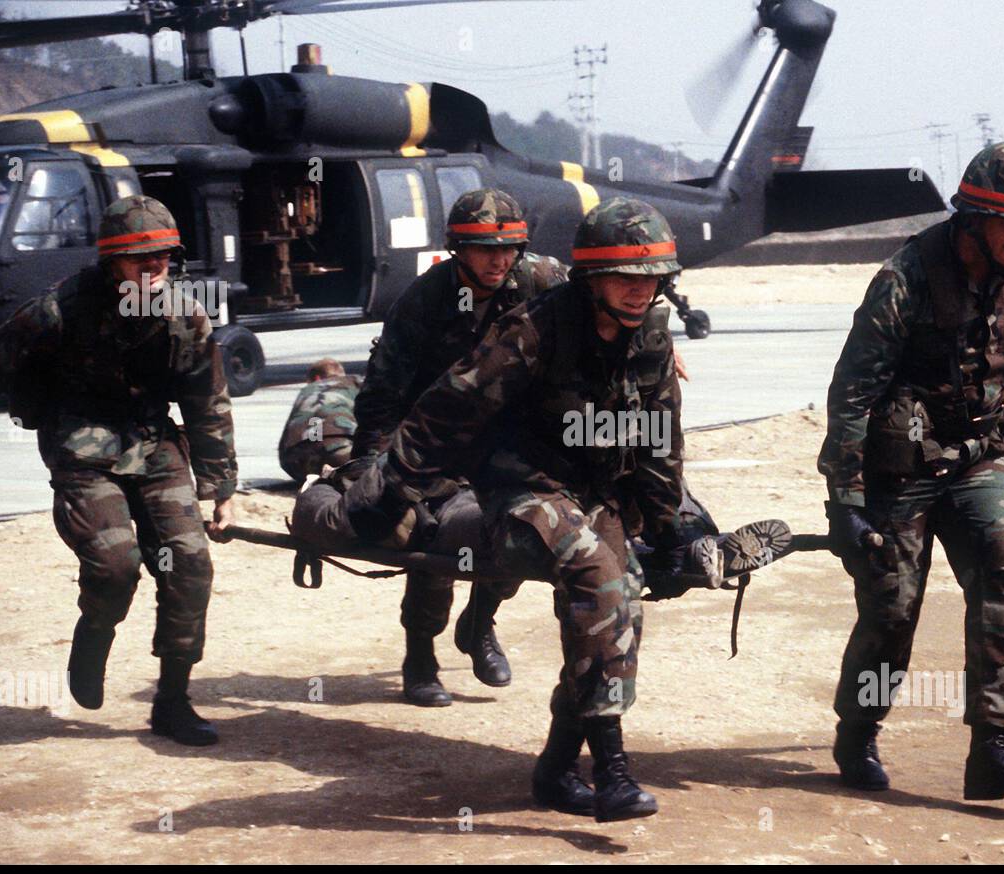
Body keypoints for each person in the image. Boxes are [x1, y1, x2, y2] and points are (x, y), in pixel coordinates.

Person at [330, 196, 788, 821]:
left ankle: (554, 769)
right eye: (626, 278)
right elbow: (444, 408)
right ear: (593, 278)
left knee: (621, 595)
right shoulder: (533, 330)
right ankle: (613, 771)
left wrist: (664, 526)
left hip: (598, 488)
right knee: (597, 573)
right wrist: (384, 486)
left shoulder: (650, 332)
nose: (639, 291)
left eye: (652, 279)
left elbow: (659, 444)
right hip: (520, 489)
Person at [818, 143, 1004, 800]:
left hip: (981, 456)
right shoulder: (906, 277)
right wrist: (845, 499)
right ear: (973, 216)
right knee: (892, 607)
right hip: (904, 466)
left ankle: (993, 747)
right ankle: (858, 730)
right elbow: (853, 391)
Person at [0, 195, 238, 745]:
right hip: (82, 445)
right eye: (141, 259)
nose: (155, 267)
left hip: (154, 443)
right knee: (116, 565)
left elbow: (207, 402)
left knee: (189, 565)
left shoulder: (185, 315)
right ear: (112, 263)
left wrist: (221, 488)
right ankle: (95, 632)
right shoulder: (58, 309)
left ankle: (173, 700)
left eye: (164, 256)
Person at [351, 187, 571, 706]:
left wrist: (654, 350)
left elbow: (607, 300)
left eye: (509, 247)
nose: (499, 259)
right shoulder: (424, 300)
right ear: (457, 248)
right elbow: (384, 394)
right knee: (434, 538)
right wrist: (369, 471)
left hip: (515, 434)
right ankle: (420, 656)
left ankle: (478, 623)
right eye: (484, 247)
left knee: (526, 525)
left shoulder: (541, 279)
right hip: (437, 437)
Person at [278, 358, 361, 481]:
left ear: (316, 379)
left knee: (317, 436)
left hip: (294, 463)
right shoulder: (355, 383)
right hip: (340, 454)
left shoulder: (307, 391)